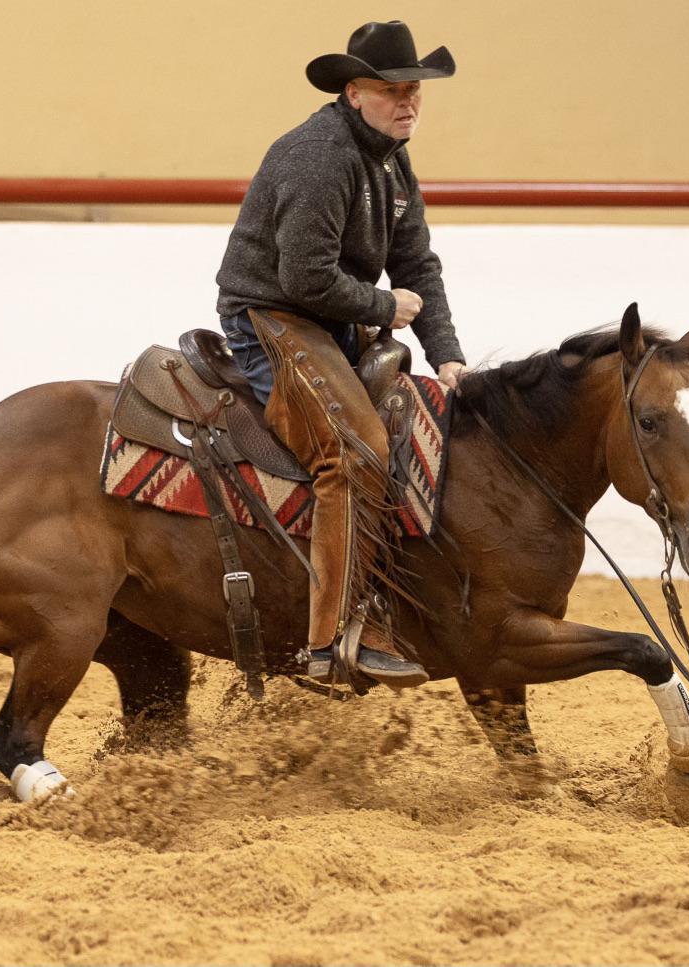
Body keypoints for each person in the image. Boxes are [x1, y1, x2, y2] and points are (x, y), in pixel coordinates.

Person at [215, 20, 468, 690]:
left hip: (327, 320)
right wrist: (388, 310)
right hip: (271, 314)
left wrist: (447, 354)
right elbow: (304, 278)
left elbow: (417, 260)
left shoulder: (390, 158)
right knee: (353, 452)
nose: (407, 101)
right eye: (391, 90)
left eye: (413, 89)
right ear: (354, 92)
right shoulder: (319, 157)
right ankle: (329, 647)